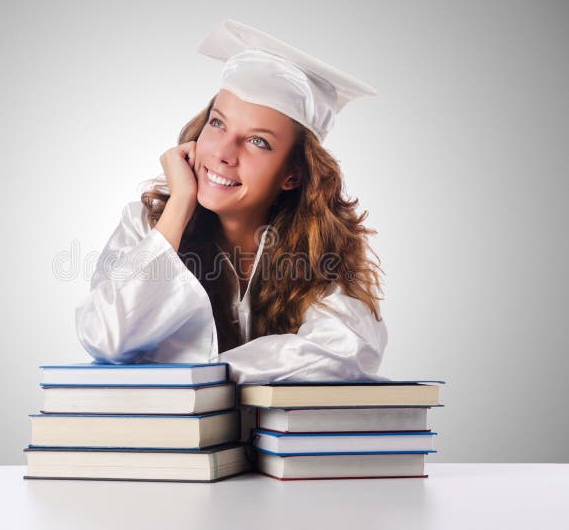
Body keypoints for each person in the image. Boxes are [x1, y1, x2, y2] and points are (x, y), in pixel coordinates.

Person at [75, 19, 388, 384]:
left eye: (258, 141)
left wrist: (203, 377)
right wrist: (179, 207)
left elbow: (349, 350)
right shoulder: (146, 225)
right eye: (218, 124)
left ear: (293, 174)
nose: (223, 153)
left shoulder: (320, 247)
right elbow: (105, 337)